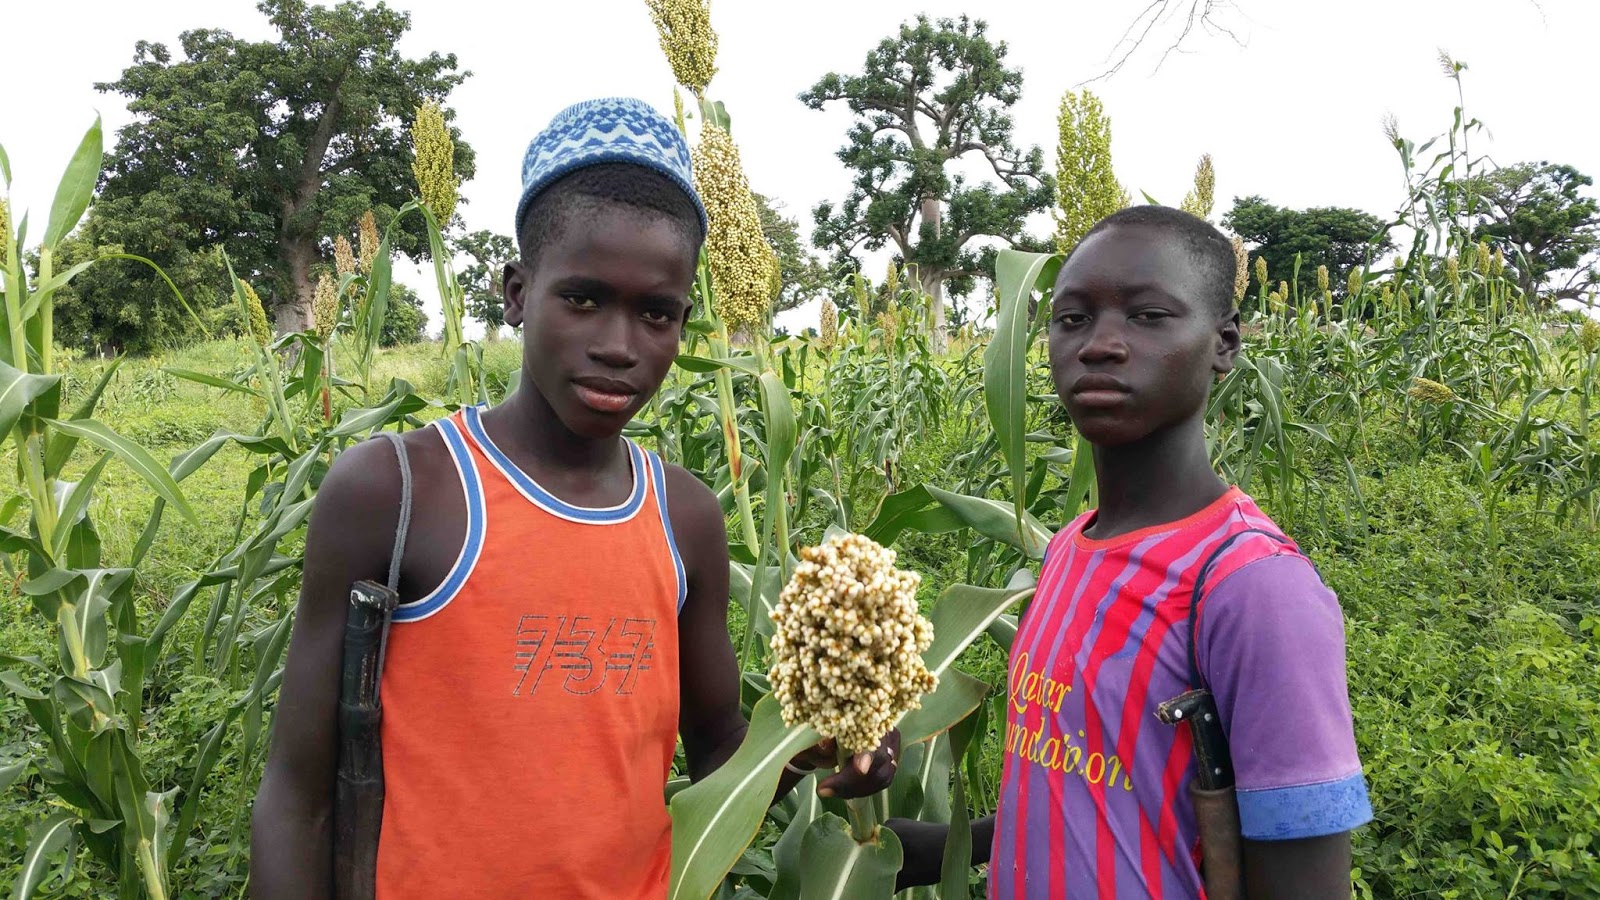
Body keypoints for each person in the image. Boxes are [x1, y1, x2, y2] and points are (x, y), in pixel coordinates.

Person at [251, 97, 897, 899]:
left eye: (656, 314)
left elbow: (720, 751)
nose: (619, 347)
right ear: (517, 292)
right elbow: (298, 796)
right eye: (583, 299)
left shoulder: (684, 517)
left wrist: (825, 746)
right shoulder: (398, 490)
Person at [892, 206, 1372, 898]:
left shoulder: (1253, 585)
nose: (1100, 345)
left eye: (1148, 316)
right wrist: (943, 847)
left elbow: (1306, 880)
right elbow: (1092, 781)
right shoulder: (1068, 548)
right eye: (1072, 318)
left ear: (1225, 344)